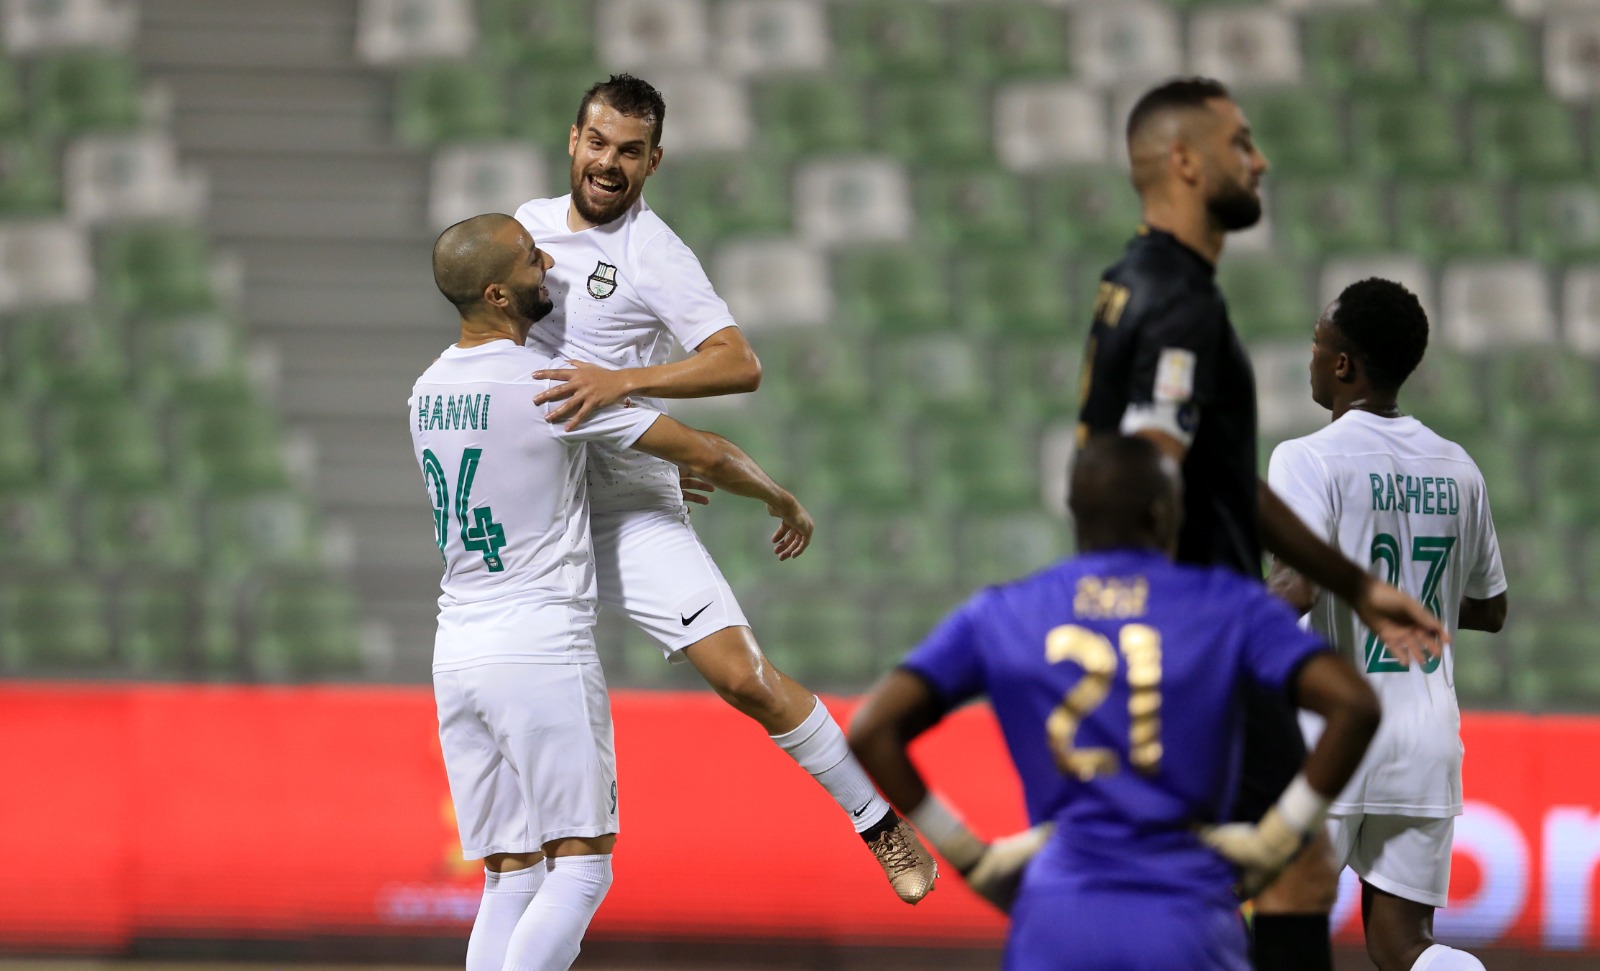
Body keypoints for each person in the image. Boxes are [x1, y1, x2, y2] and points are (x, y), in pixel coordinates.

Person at [510, 73, 936, 901]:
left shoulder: (653, 254)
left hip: (627, 497)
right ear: (572, 140)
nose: (608, 163)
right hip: (538, 499)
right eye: (597, 143)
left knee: (742, 675)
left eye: (629, 152)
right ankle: (518, 870)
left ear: (653, 161)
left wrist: (626, 382)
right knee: (517, 676)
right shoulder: (524, 228)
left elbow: (740, 361)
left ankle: (875, 820)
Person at [1073, 76, 1445, 970]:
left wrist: (1357, 583)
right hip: (1200, 631)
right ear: (1185, 161)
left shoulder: (1133, 282)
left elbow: (1221, 477)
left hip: (1192, 627)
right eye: (1241, 142)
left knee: (1281, 867)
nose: (1261, 159)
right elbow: (1156, 458)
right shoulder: (1180, 306)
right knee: (1272, 869)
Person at [412, 213, 816, 971]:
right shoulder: (546, 385)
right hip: (537, 643)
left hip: (457, 646)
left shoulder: (426, 391)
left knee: (509, 874)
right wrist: (780, 499)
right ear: (499, 293)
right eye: (533, 261)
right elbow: (704, 450)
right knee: (581, 868)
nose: (549, 268)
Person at [848, 434, 1382, 970]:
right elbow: (1354, 706)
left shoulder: (1003, 612)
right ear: (1162, 514)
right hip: (1188, 921)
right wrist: (1276, 838)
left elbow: (872, 728)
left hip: (1055, 924)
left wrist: (973, 859)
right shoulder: (1228, 606)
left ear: (1076, 513)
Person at [1266, 279, 1508, 971]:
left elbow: (1295, 587)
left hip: (1333, 738)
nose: (1311, 356)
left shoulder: (1307, 458)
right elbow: (1491, 607)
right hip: (1426, 738)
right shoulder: (1458, 468)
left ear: (1343, 365)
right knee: (1402, 945)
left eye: (1317, 343)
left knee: (1270, 930)